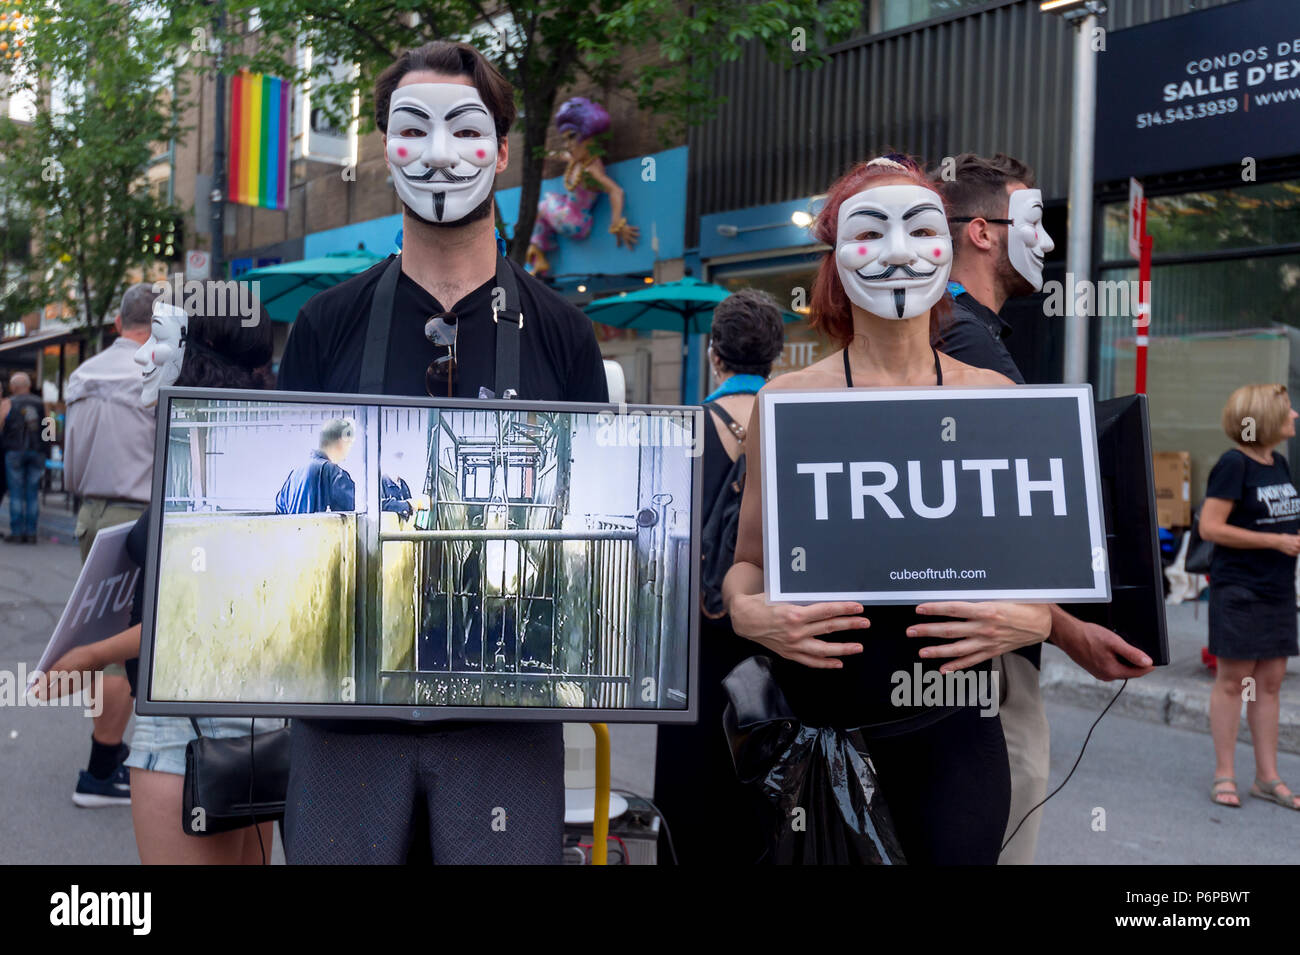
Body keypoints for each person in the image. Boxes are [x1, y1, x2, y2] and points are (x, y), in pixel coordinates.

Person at [275, 39, 608, 864]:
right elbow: (292, 521)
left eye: (464, 132)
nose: (437, 154)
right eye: (410, 128)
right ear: (385, 147)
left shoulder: (564, 333)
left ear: (500, 152)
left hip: (507, 724)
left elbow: (597, 525)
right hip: (342, 722)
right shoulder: (326, 324)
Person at [721, 155, 1056, 865]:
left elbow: (1042, 576)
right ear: (836, 258)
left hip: (955, 742)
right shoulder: (786, 404)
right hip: (823, 741)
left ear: (950, 243)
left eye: (919, 229)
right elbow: (747, 563)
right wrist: (752, 613)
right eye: (871, 233)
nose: (899, 253)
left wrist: (1039, 617)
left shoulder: (995, 400)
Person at [933, 152, 1155, 863]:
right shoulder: (964, 343)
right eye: (1034, 221)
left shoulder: (966, 335)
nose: (1049, 244)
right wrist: (1068, 628)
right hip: (985, 654)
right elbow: (989, 529)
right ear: (981, 232)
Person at [36, 288, 284, 862]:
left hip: (187, 731)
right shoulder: (232, 449)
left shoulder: (210, 464)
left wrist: (88, 655)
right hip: (245, 727)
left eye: (161, 341)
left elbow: (198, 618)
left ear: (197, 359)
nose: (144, 358)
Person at [653, 288, 785, 863]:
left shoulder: (680, 430)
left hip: (692, 646)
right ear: (775, 356)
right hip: (777, 639)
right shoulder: (795, 424)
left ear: (715, 354)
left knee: (689, 795)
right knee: (765, 788)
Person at [61, 282, 161, 808]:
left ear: (119, 324)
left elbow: (71, 457)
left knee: (104, 636)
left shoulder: (84, 374)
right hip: (136, 518)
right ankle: (100, 772)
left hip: (90, 512)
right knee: (128, 646)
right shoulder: (157, 370)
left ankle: (109, 763)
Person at [1200, 384, 1300, 811]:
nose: (1294, 415)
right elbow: (1210, 528)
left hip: (1278, 591)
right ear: (1264, 419)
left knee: (1269, 686)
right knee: (1233, 684)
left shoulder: (1277, 462)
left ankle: (1267, 777)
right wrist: (1275, 542)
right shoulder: (1232, 465)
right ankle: (1225, 773)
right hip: (1240, 591)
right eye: (1286, 410)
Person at [525, 97, 639, 276]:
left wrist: (617, 222)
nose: (568, 145)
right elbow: (562, 155)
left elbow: (616, 190)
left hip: (575, 223)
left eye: (572, 137)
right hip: (569, 212)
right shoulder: (579, 161)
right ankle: (537, 252)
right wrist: (543, 153)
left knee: (543, 205)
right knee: (550, 200)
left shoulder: (592, 169)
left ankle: (537, 253)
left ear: (588, 136)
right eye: (565, 139)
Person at [1, 371, 48, 544]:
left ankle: (17, 532)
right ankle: (31, 532)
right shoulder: (40, 403)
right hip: (36, 452)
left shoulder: (8, 403)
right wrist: (45, 450)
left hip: (14, 451)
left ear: (13, 387)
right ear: (28, 386)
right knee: (32, 492)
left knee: (16, 493)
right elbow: (48, 428)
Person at [274, 418, 357, 514]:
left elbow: (280, 511)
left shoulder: (294, 474)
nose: (349, 450)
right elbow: (348, 519)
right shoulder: (335, 475)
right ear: (341, 442)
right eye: (349, 444)